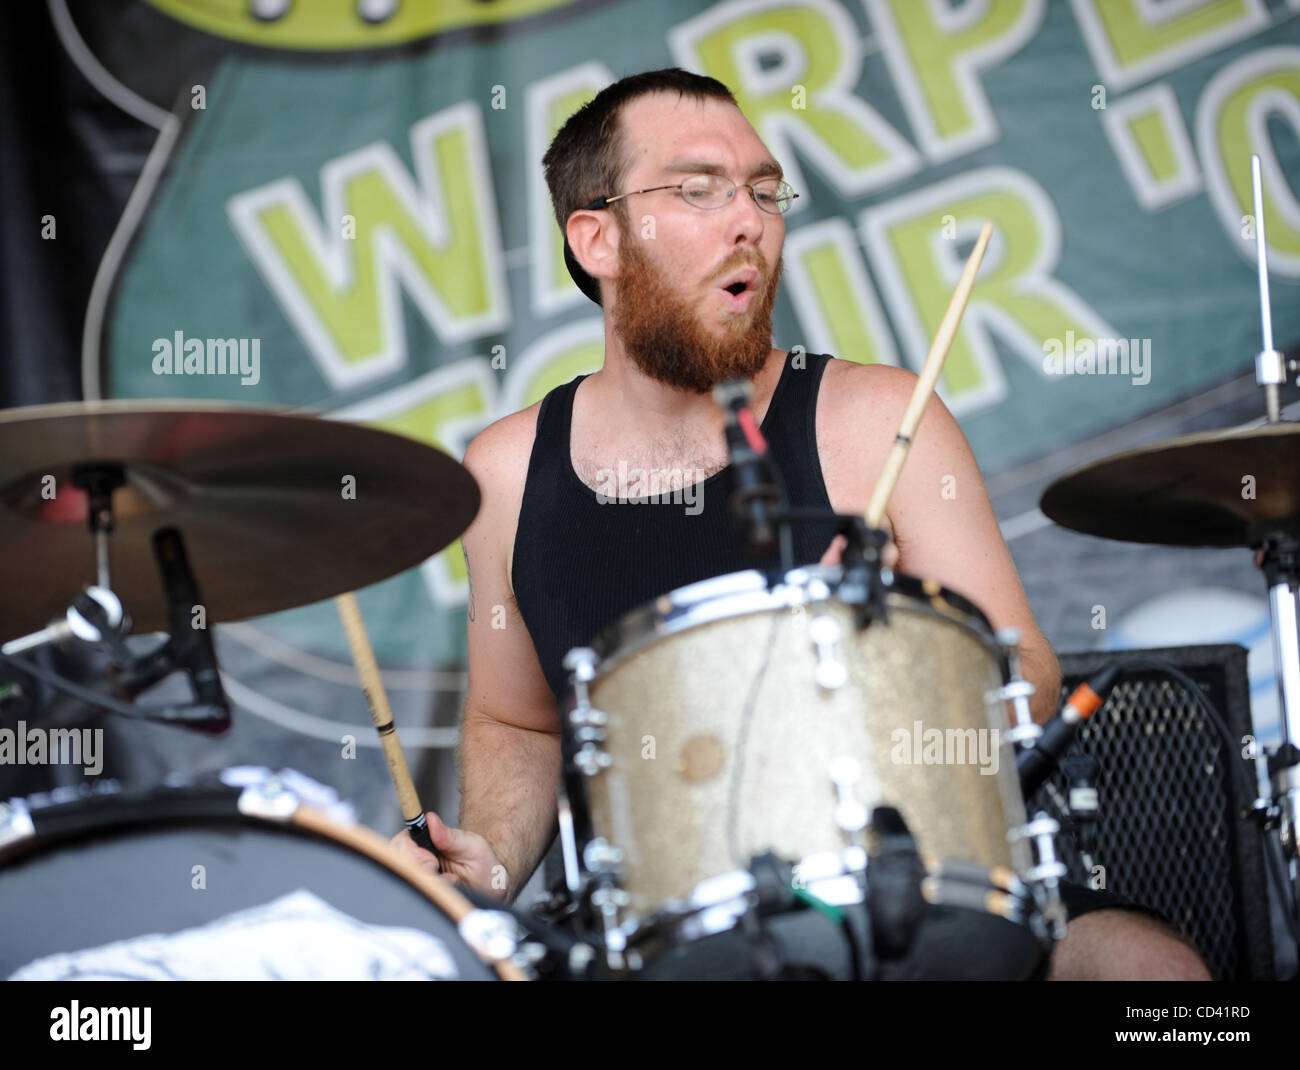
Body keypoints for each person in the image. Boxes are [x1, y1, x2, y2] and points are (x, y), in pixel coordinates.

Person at [393, 68, 1209, 980]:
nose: (751, 220)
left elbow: (1028, 674)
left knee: (1154, 983)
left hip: (908, 893)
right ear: (598, 238)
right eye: (699, 191)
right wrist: (495, 865)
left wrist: (896, 663)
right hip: (658, 933)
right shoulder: (506, 470)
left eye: (765, 190)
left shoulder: (876, 419)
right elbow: (520, 723)